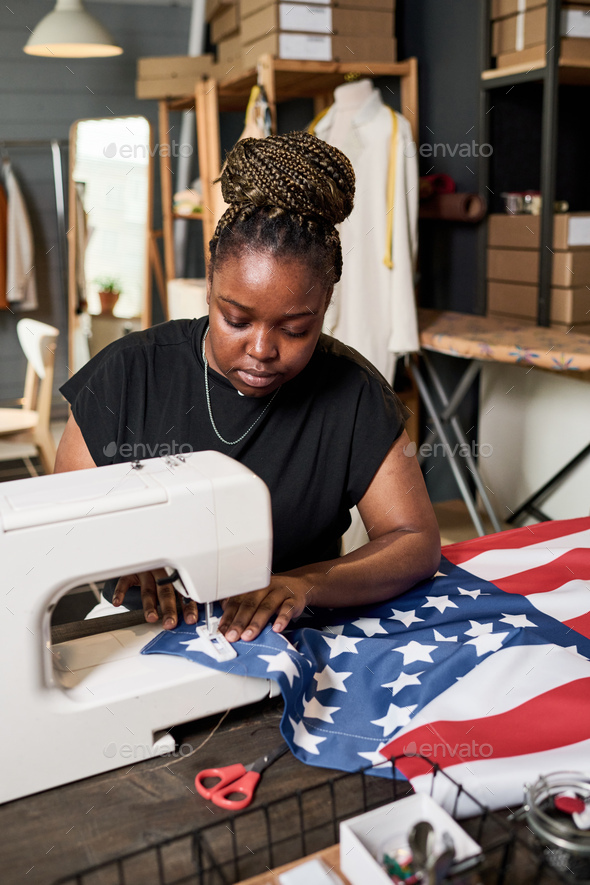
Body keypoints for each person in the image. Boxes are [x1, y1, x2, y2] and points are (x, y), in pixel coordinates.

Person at [55, 131, 440, 643]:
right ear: (210, 284)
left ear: (326, 305)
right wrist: (127, 554)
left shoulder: (353, 393)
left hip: (294, 636)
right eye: (236, 319)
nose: (262, 349)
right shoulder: (130, 373)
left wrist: (304, 584)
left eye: (296, 329)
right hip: (143, 635)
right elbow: (59, 518)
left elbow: (414, 541)